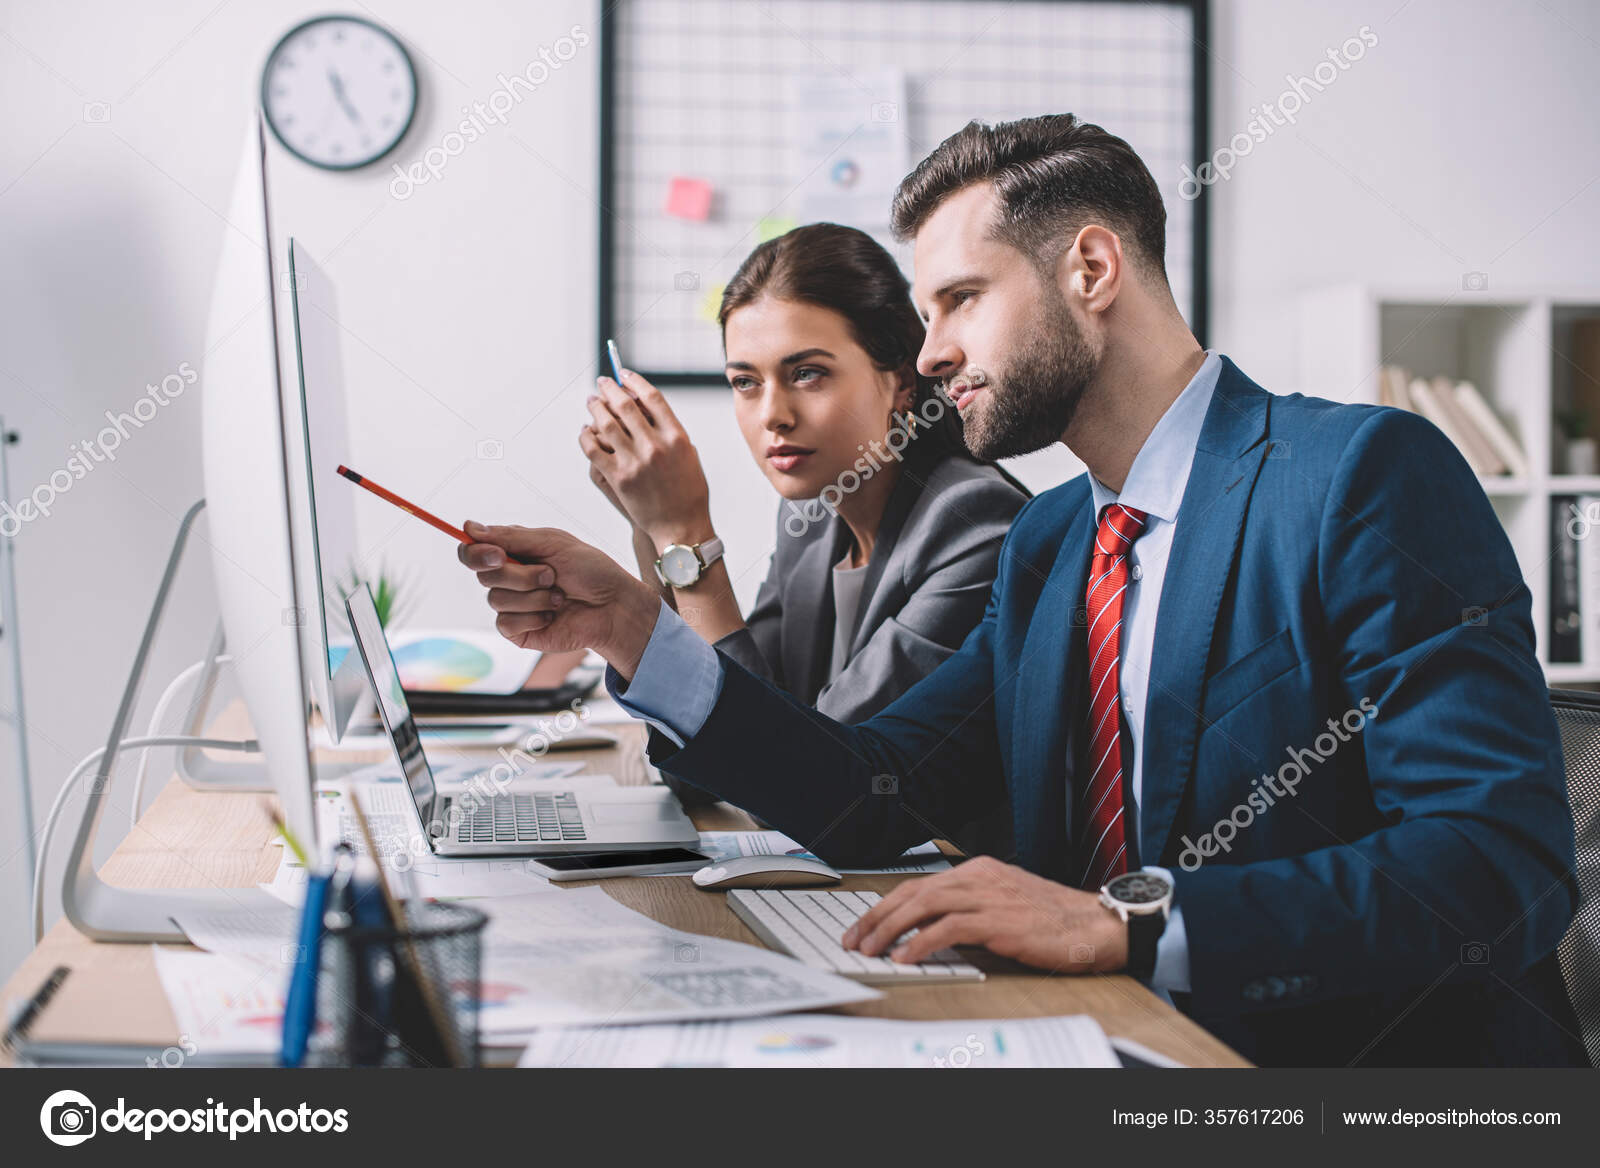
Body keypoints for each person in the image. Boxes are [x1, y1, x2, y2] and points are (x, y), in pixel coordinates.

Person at [457, 114, 1583, 1067]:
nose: (932, 352)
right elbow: (873, 788)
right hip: (1083, 1039)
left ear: (1088, 269)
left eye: (957, 300)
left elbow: (1499, 860)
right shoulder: (1051, 539)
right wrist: (636, 631)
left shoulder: (1356, 477)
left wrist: (1126, 924)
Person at [581, 224, 1026, 844]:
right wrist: (648, 528)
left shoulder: (975, 526)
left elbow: (793, 787)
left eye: (808, 374)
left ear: (900, 381)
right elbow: (708, 757)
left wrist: (685, 533)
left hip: (943, 890)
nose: (773, 415)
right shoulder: (814, 519)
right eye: (745, 382)